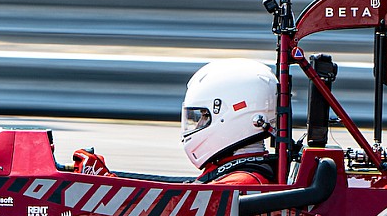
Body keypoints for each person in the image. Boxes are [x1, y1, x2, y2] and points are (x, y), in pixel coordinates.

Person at [71, 58, 277, 186]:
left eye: (203, 117)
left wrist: (105, 184)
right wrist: (105, 179)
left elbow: (178, 206)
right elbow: (183, 188)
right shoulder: (234, 169)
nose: (197, 125)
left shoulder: (245, 181)